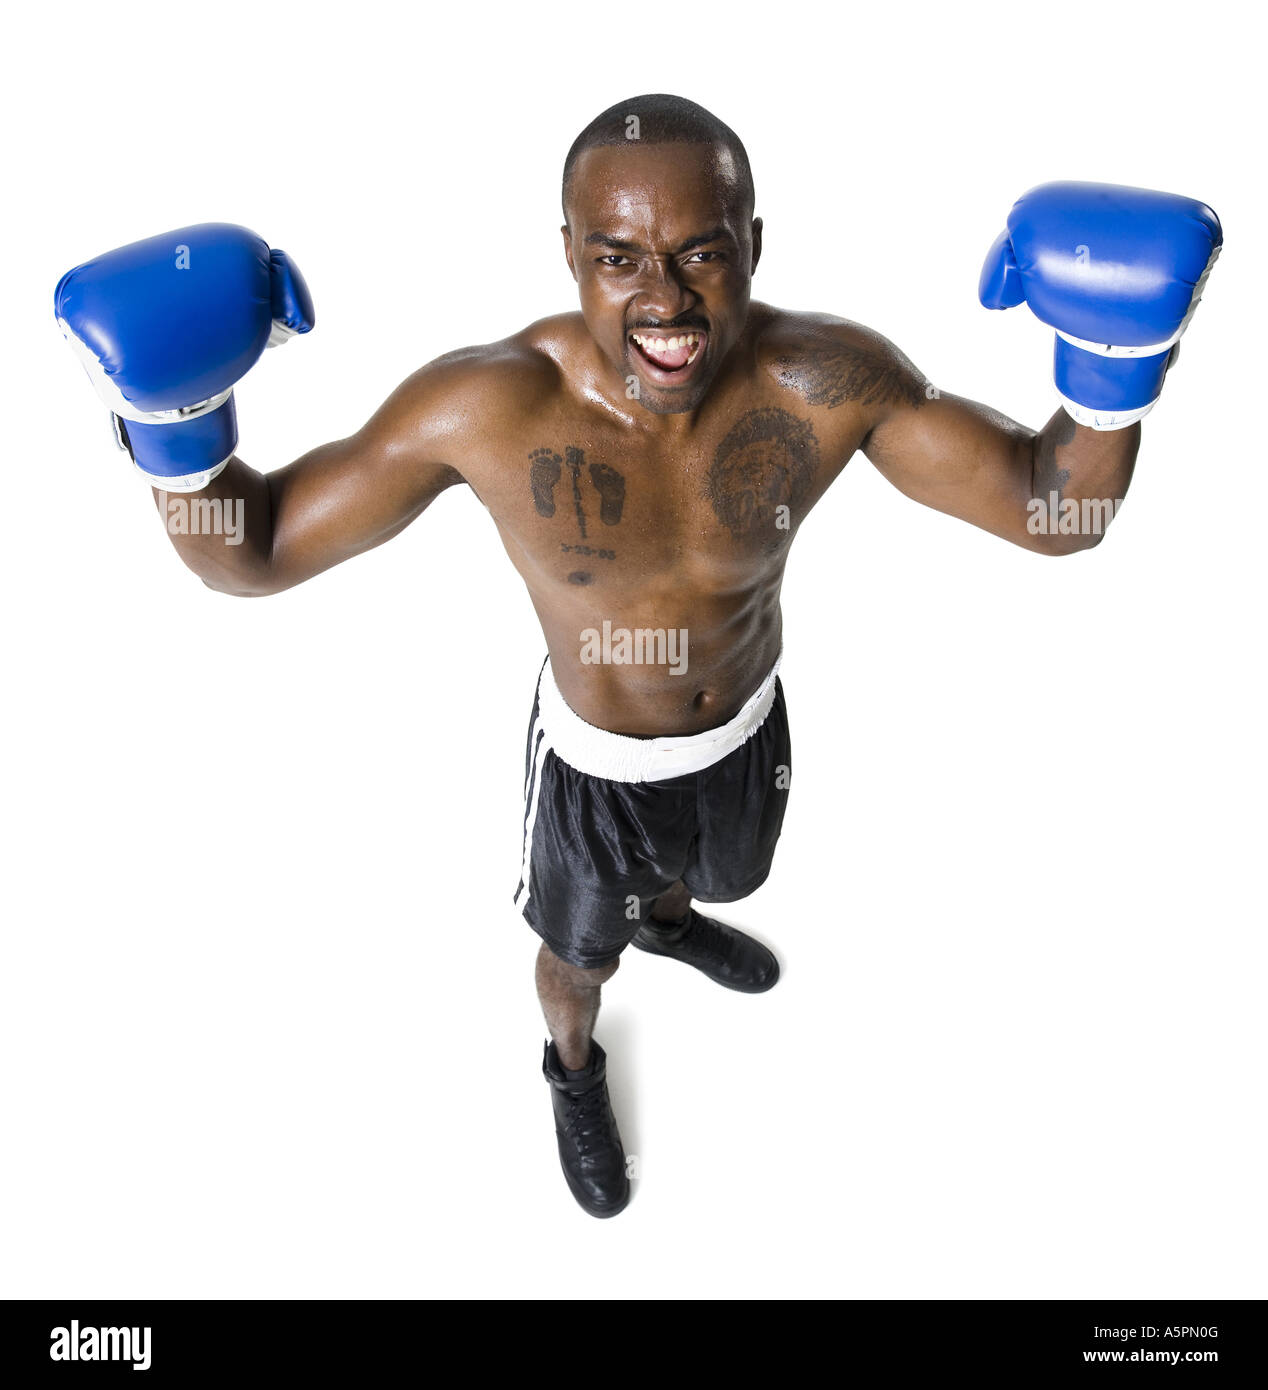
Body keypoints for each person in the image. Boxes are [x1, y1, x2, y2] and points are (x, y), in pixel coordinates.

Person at [54, 95, 1222, 1219]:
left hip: (742, 731)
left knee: (718, 879)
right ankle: (569, 1067)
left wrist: (1106, 378)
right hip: (591, 773)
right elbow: (248, 555)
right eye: (618, 258)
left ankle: (668, 915)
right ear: (569, 255)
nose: (663, 299)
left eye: (701, 254)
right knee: (575, 956)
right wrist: (178, 433)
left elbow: (1047, 514)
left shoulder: (825, 383)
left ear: (754, 245)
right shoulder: (488, 407)